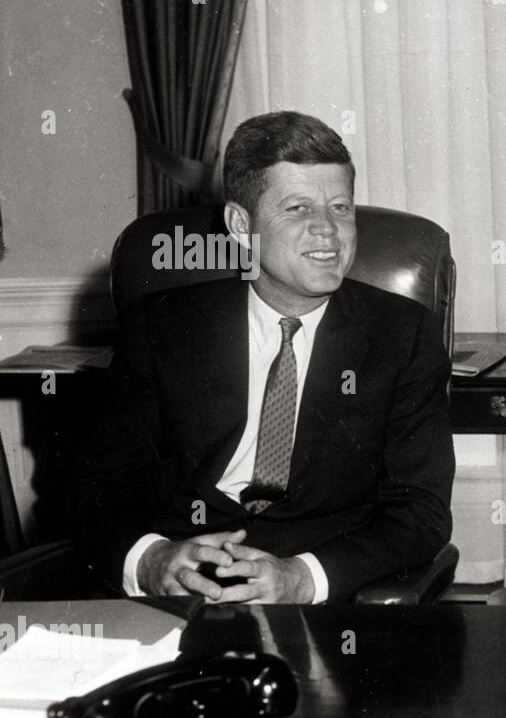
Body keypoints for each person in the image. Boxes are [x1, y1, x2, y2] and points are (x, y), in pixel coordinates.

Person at [72, 111, 454, 604]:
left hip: (314, 590)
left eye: (340, 207)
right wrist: (149, 560)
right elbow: (98, 489)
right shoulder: (161, 326)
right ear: (240, 224)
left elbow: (420, 511)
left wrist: (302, 577)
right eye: (297, 209)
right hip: (177, 586)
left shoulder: (402, 335)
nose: (328, 232)